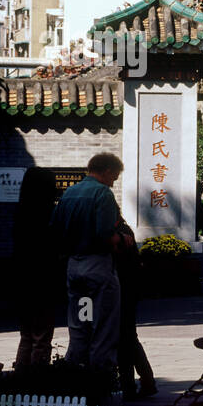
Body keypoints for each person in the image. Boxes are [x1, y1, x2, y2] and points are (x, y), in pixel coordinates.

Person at [50, 152, 124, 376]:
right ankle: (100, 377)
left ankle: (74, 373)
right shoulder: (102, 193)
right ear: (107, 171)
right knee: (103, 326)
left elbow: (55, 229)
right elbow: (105, 233)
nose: (114, 182)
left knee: (80, 322)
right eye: (115, 177)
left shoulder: (70, 192)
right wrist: (122, 239)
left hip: (74, 266)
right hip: (98, 266)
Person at [12, 167, 62, 371]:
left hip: (22, 278)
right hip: (44, 278)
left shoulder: (21, 212)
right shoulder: (49, 214)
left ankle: (21, 376)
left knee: (26, 334)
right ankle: (36, 378)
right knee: (42, 335)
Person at [114, 218, 157, 400]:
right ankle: (144, 381)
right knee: (128, 338)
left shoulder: (121, 234)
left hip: (123, 290)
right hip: (127, 290)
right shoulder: (123, 231)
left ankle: (131, 384)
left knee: (125, 339)